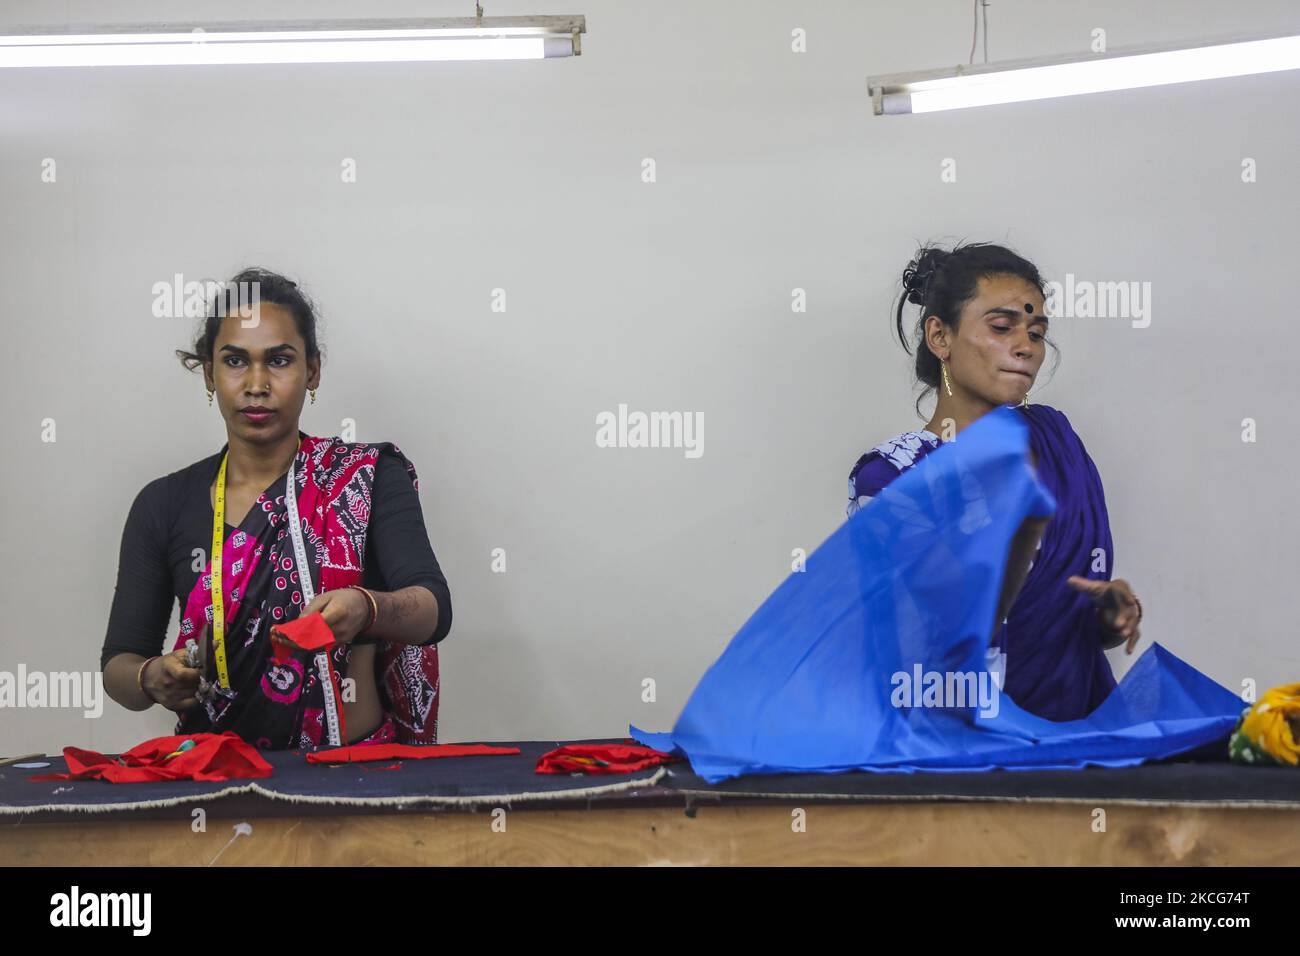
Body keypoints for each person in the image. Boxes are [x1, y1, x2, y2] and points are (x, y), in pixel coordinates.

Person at [100, 268, 452, 749]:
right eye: (236, 361)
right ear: (209, 373)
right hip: (214, 780)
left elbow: (434, 609)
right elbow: (120, 662)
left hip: (354, 776)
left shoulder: (366, 478)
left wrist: (367, 607)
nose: (258, 383)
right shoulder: (162, 504)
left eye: (280, 360)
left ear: (312, 370)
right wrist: (149, 677)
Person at [846, 242, 1143, 722]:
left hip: (1075, 745)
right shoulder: (893, 477)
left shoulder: (1058, 443)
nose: (1026, 346)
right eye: (1002, 327)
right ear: (940, 337)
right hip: (953, 751)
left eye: (1037, 331)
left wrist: (1106, 617)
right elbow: (912, 642)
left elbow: (1065, 618)